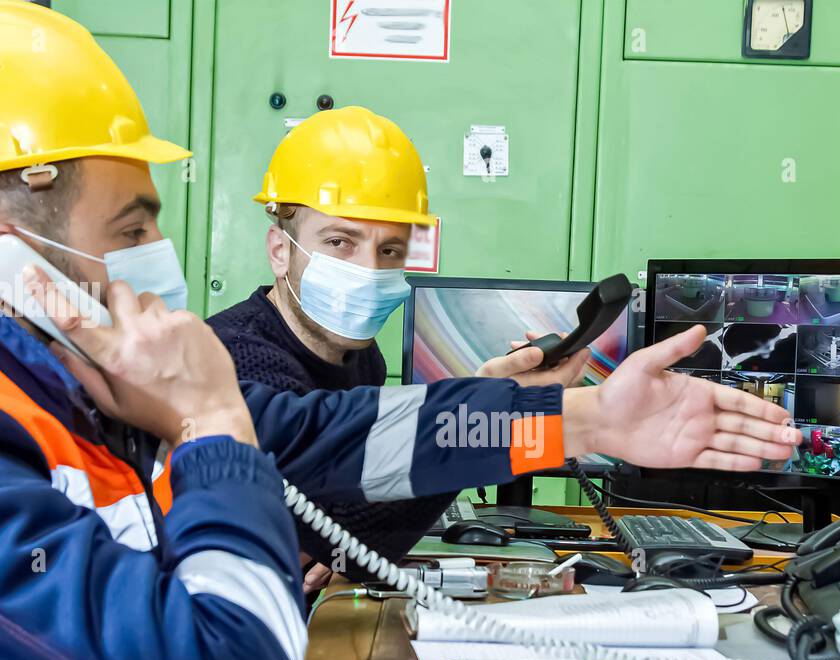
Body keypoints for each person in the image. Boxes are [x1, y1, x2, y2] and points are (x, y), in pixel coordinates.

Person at [0, 0, 799, 660]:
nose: (154, 262)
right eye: (132, 229)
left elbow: (327, 437)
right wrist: (214, 421)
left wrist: (582, 416)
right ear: (21, 268)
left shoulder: (12, 364)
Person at [209, 105, 588, 597]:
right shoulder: (236, 361)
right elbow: (353, 538)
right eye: (341, 241)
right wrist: (481, 410)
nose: (368, 268)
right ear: (280, 250)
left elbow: (354, 528)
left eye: (389, 250)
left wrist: (485, 405)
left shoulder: (362, 358)